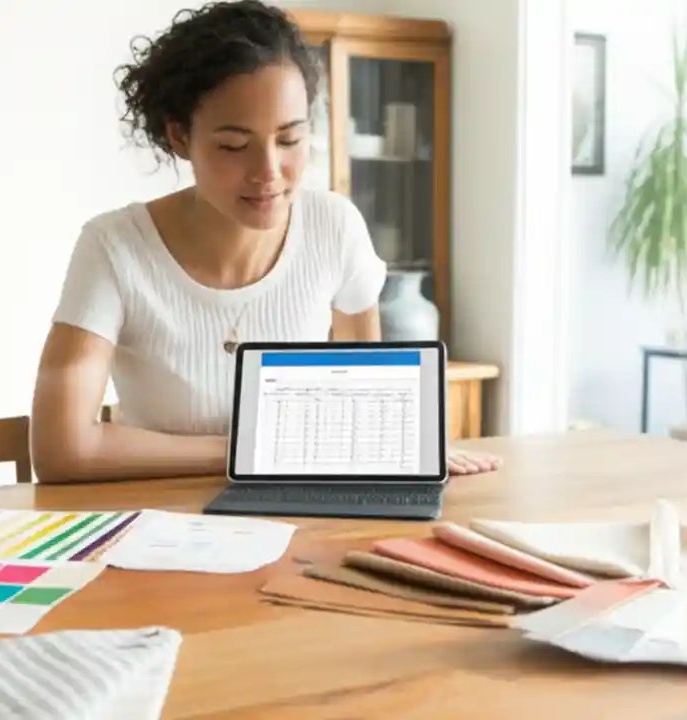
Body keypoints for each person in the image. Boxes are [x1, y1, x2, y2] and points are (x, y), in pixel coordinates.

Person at [31, 0, 500, 483]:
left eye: (291, 139)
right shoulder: (114, 247)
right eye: (234, 145)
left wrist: (407, 448)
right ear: (180, 136)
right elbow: (60, 449)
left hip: (302, 517)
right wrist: (247, 451)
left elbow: (362, 413)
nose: (269, 173)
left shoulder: (335, 228)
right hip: (161, 521)